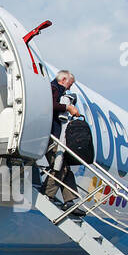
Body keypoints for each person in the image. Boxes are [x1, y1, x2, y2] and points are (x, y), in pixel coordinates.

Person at [47, 70, 82, 204]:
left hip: (57, 137)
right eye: (70, 84)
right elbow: (50, 104)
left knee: (64, 167)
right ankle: (48, 194)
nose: (69, 88)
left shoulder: (59, 91)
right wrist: (67, 107)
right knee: (59, 166)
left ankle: (70, 201)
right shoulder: (53, 88)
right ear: (62, 79)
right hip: (52, 137)